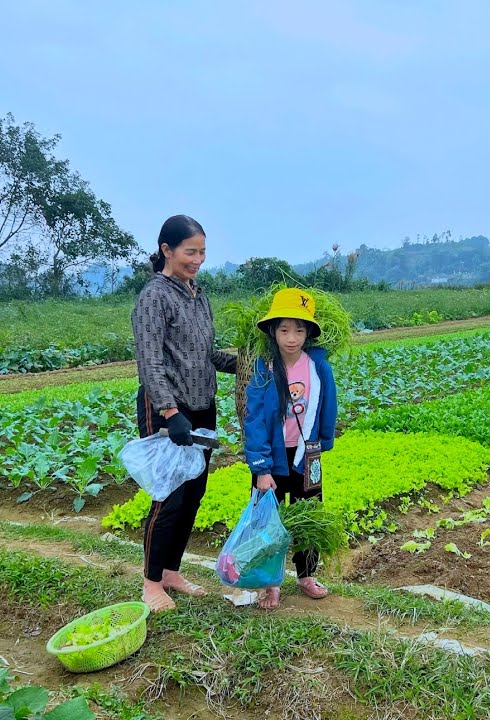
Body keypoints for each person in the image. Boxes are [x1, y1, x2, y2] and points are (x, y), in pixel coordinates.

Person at [131, 214, 236, 612]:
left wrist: (248, 362)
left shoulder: (198, 294)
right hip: (168, 410)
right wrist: (170, 411)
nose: (198, 259)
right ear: (166, 251)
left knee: (194, 492)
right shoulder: (154, 297)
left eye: (203, 252)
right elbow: (151, 362)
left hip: (203, 407)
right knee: (169, 496)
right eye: (191, 251)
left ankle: (172, 571)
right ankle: (151, 583)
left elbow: (205, 356)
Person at [242, 287, 338, 609]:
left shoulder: (318, 367)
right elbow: (253, 416)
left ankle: (306, 575)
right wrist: (261, 468)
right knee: (268, 521)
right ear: (273, 331)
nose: (291, 337)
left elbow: (328, 406)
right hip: (273, 457)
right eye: (284, 329)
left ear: (309, 332)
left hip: (306, 455)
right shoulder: (264, 367)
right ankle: (271, 583)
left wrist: (323, 443)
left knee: (309, 514)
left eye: (299, 329)